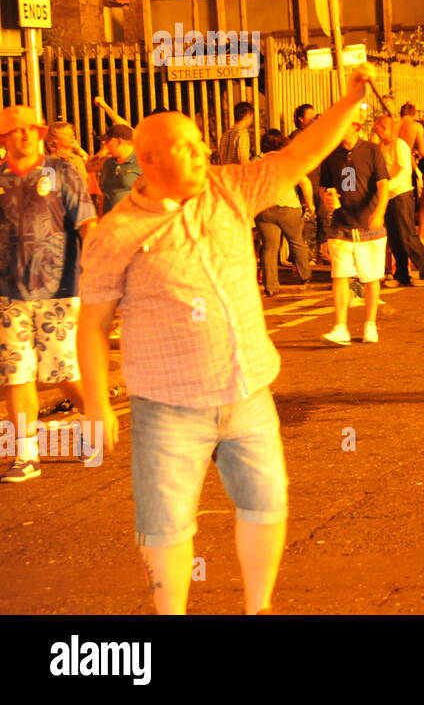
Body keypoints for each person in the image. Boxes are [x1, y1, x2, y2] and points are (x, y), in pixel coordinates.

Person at [76, 65, 374, 613]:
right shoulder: (116, 232)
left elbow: (296, 157)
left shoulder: (229, 188)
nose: (200, 154)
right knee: (166, 525)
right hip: (168, 405)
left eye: (199, 143)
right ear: (149, 161)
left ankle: (257, 607)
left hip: (248, 392)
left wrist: (348, 102)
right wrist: (96, 405)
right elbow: (91, 326)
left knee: (266, 504)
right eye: (185, 147)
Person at [0, 106, 98, 483]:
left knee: (63, 371)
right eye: (17, 130)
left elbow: (87, 223)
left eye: (32, 129)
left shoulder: (62, 171)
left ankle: (95, 421)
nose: (26, 135)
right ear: (4, 139)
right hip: (9, 294)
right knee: (16, 374)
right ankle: (24, 456)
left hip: (60, 290)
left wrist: (99, 272)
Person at [319, 108, 390, 343]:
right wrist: (327, 199)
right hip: (341, 225)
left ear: (355, 127)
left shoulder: (371, 150)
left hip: (369, 226)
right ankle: (341, 326)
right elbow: (324, 187)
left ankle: (370, 324)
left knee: (370, 277)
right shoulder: (331, 155)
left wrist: (379, 213)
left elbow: (383, 186)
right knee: (340, 275)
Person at [375, 115, 424, 287]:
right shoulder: (381, 147)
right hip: (389, 196)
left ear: (385, 128)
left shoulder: (399, 145)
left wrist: (388, 186)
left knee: (407, 234)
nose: (375, 132)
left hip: (402, 194)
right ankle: (401, 274)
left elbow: (405, 171)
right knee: (394, 237)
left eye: (377, 129)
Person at [253, 130, 314, 297]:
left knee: (269, 248)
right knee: (296, 241)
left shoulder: (256, 162)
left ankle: (271, 286)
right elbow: (305, 183)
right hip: (289, 207)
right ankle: (305, 276)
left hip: (264, 210)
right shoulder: (288, 161)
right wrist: (310, 204)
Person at [99, 124, 142, 214]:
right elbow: (104, 194)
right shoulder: (108, 163)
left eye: (108, 141)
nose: (105, 145)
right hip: (110, 222)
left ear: (119, 141)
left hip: (132, 221)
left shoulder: (141, 163)